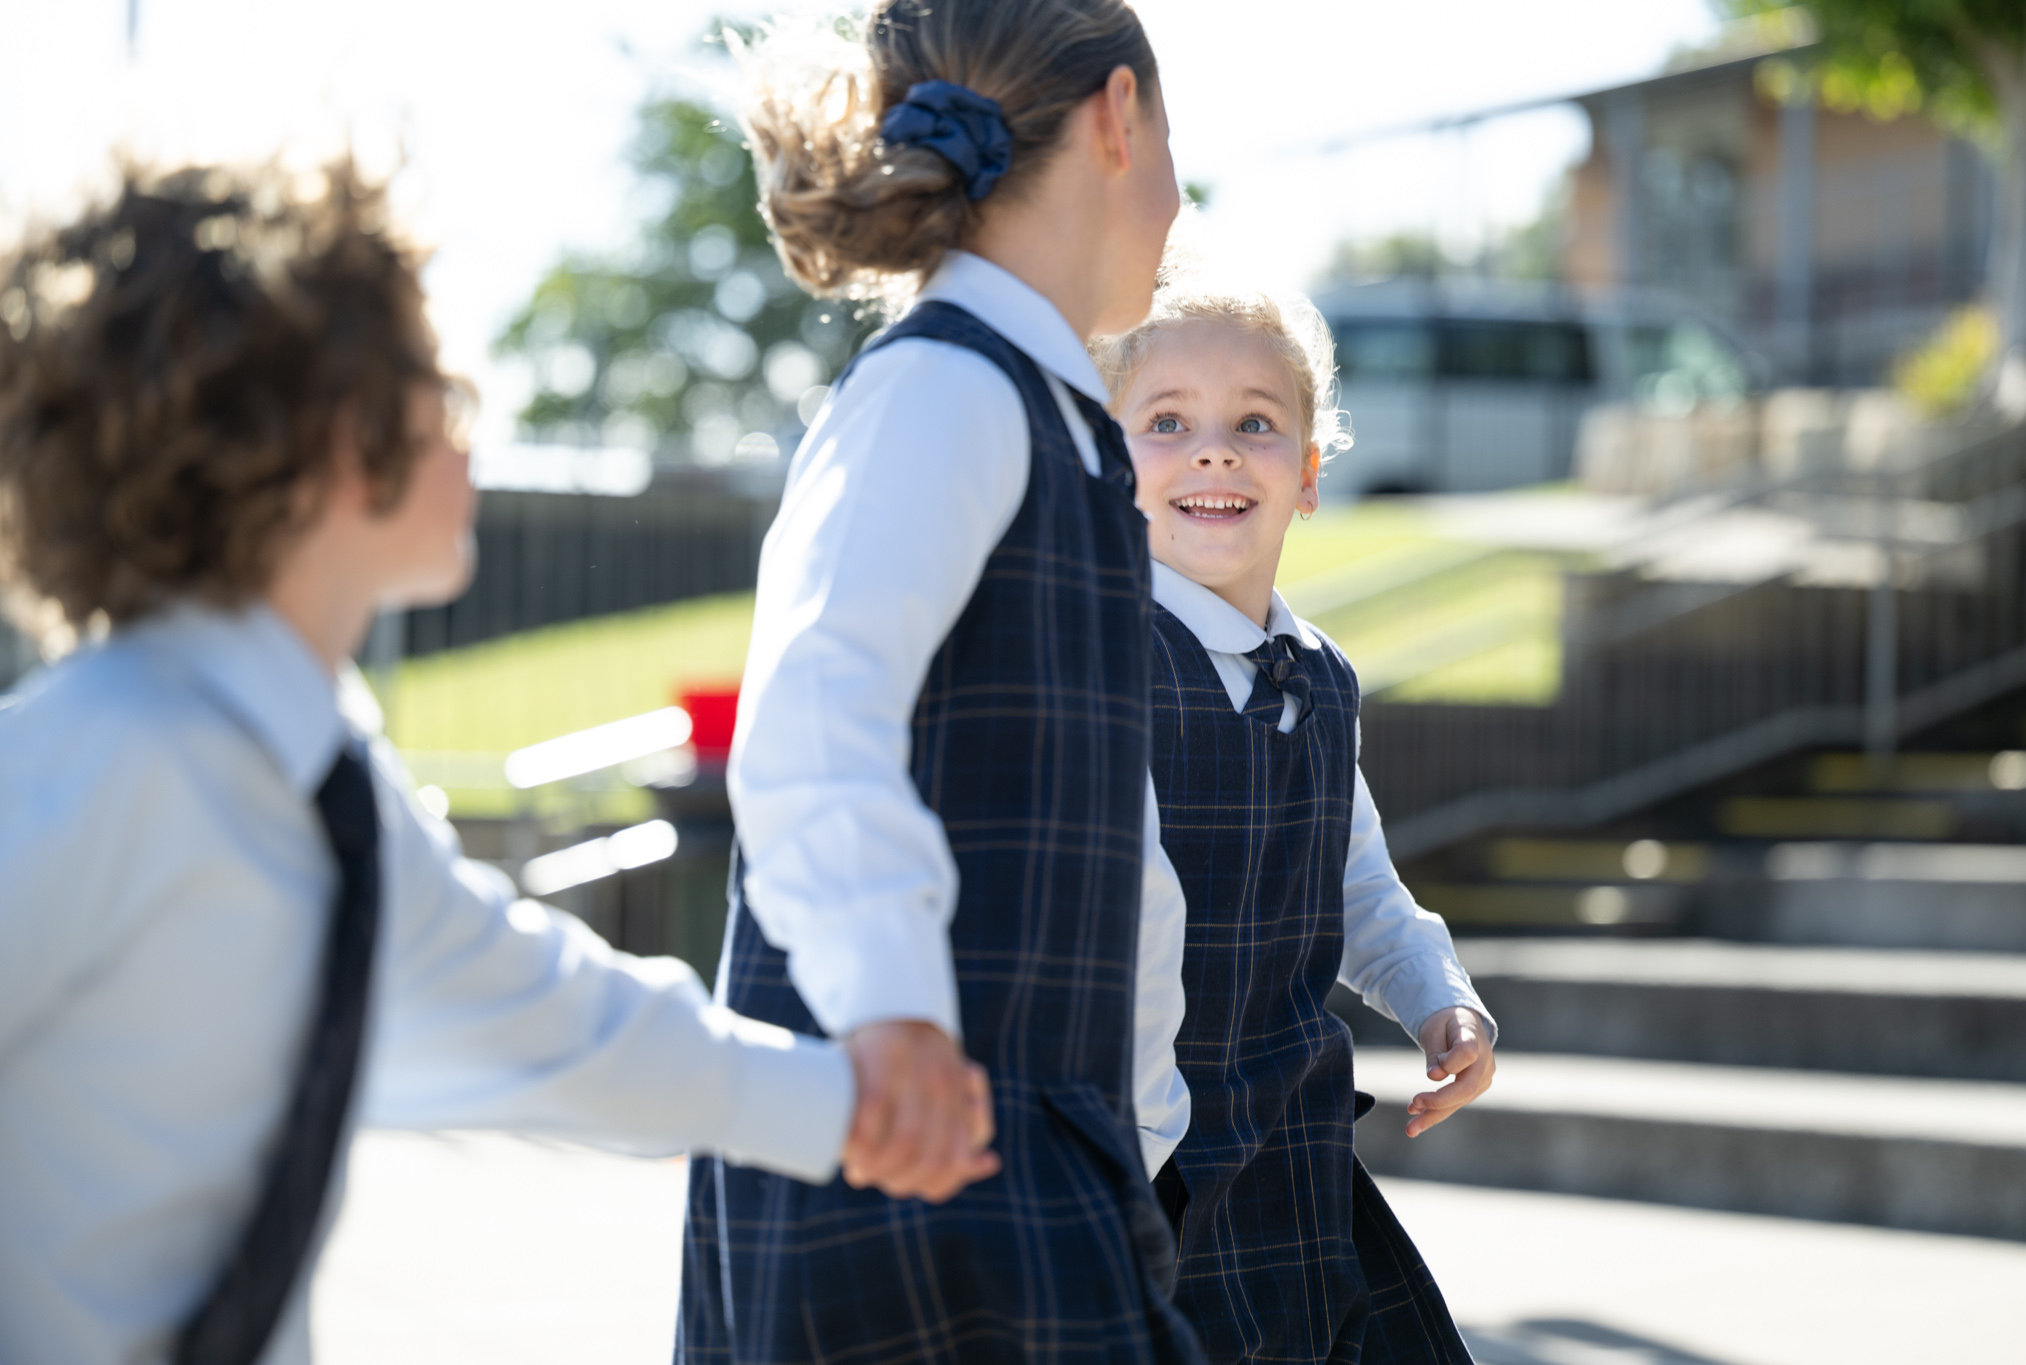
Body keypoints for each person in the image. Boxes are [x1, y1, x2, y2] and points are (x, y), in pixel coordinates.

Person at [0, 161, 863, 1365]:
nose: (470, 422)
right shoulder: (106, 756)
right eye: (441, 385)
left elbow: (553, 1018)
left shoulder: (320, 782)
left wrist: (858, 1110)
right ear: (334, 439)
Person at [680, 1, 1204, 1360]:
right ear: (1118, 117)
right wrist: (896, 1012)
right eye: (1174, 142)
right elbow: (813, 721)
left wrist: (1139, 1120)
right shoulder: (945, 390)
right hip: (912, 1150)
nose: (1180, 197)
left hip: (1025, 1152)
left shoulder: (1052, 420)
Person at [1091, 264, 1498, 1364]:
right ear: (1103, 463)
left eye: (1254, 423)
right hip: (1155, 1170)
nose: (1212, 450)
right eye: (1165, 421)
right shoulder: (1095, 663)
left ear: (1308, 474)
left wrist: (1434, 998)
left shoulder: (1321, 677)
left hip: (1298, 1157)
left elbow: (1357, 883)